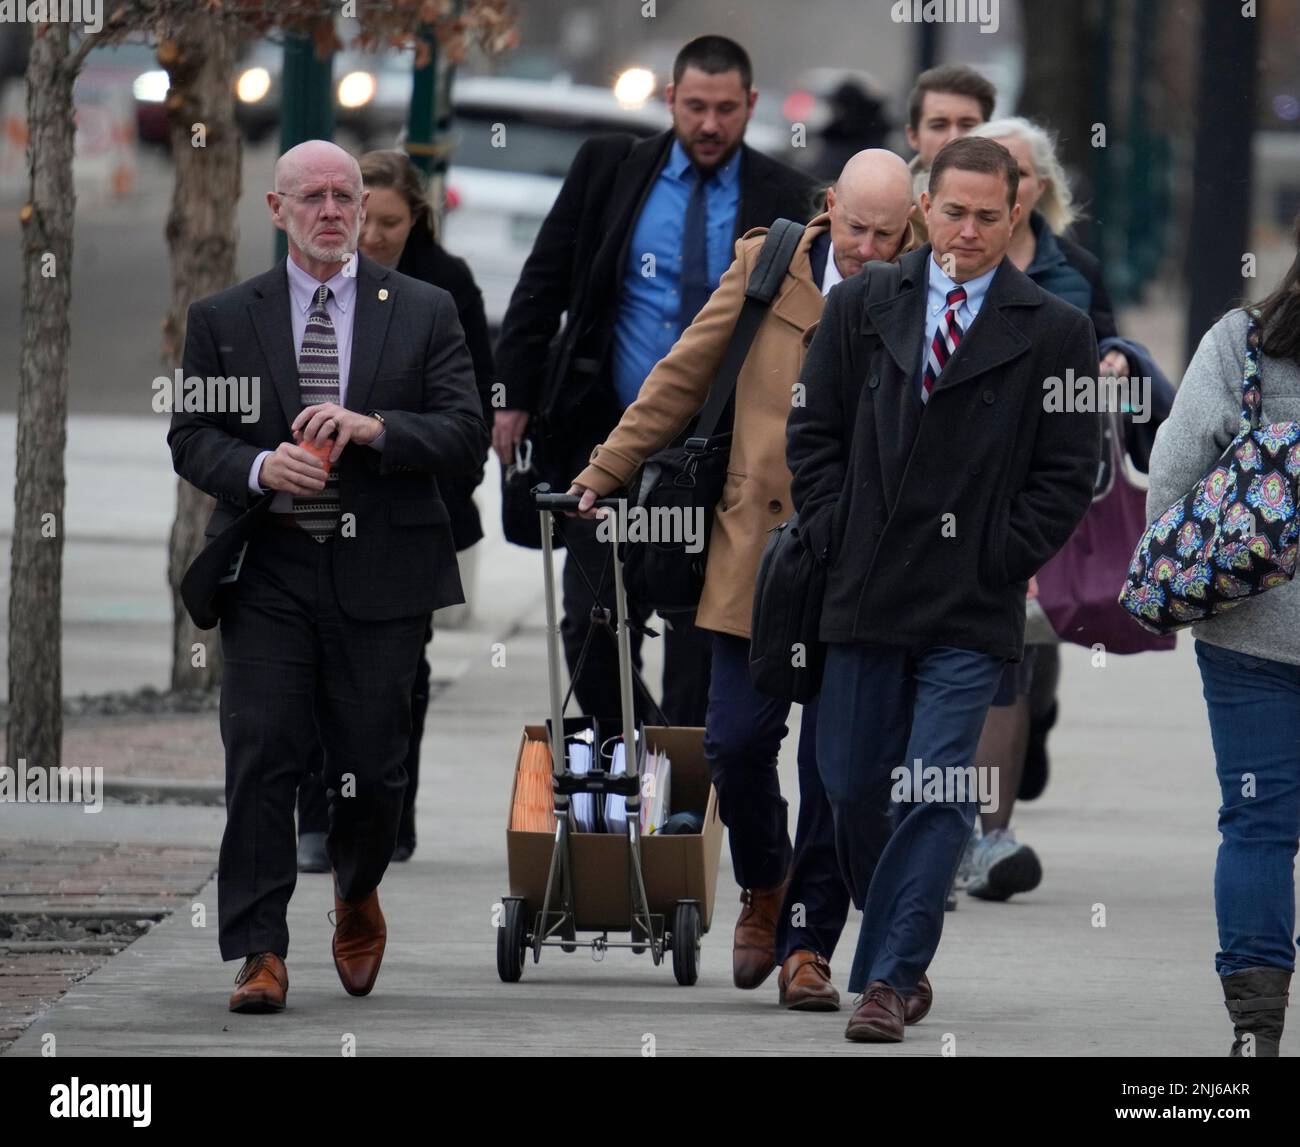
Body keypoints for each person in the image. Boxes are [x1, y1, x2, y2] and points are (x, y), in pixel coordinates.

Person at [568, 150, 916, 1009]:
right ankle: (766, 878)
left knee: (838, 767)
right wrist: (608, 467)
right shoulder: (770, 262)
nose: (868, 248)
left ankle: (806, 943)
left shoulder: (920, 295)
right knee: (733, 741)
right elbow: (684, 371)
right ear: (831, 206)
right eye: (857, 227)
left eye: (886, 233)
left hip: (859, 563)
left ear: (909, 229)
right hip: (754, 554)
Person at [786, 136, 1101, 1042]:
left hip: (969, 605)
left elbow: (1068, 473)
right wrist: (836, 531)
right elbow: (813, 435)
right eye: (953, 211)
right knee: (848, 786)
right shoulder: (863, 306)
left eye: (988, 216)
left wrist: (999, 555)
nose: (967, 231)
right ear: (924, 209)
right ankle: (894, 943)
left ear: (1016, 217)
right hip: (864, 591)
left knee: (932, 786)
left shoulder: (1054, 330)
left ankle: (892, 974)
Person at [169, 140, 488, 1013]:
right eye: (311, 196)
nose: (332, 210)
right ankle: (261, 950)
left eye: (345, 195)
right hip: (269, 567)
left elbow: (465, 431)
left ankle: (355, 888)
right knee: (263, 750)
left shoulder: (420, 310)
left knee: (372, 766)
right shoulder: (226, 316)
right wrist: (263, 467)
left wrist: (378, 429)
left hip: (382, 571)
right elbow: (191, 438)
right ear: (276, 210)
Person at [492, 35, 821, 728]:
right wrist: (513, 396)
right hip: (606, 442)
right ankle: (640, 751)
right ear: (670, 99)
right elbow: (543, 281)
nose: (708, 124)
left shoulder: (785, 196)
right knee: (590, 628)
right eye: (695, 106)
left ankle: (681, 805)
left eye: (726, 109)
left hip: (718, 461)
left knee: (699, 643)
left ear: (751, 105)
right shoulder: (610, 168)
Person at [953, 116, 1174, 901]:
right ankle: (928, 825)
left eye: (1010, 170)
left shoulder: (1072, 268)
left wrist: (1114, 361)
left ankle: (987, 836)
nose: (995, 185)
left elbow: (1114, 361)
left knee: (1008, 659)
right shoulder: (944, 259)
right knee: (948, 662)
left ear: (1037, 186)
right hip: (947, 491)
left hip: (1036, 495)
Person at [296, 148, 494, 870]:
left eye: (389, 220)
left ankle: (388, 814)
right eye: (363, 217)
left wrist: (429, 478)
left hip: (413, 510)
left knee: (397, 681)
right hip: (317, 505)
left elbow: (469, 409)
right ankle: (315, 818)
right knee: (310, 670)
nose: (371, 234)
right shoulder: (308, 281)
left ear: (417, 218)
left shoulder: (443, 289)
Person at [1146, 216, 1300, 1056]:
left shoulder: (1241, 343)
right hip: (1254, 643)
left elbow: (1172, 474)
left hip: (1250, 636)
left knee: (1257, 824)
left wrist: (1199, 574)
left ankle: (1256, 1026)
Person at [903, 64, 997, 244]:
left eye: (968, 125)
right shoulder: (886, 204)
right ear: (913, 136)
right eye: (939, 125)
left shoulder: (1016, 209)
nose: (954, 138)